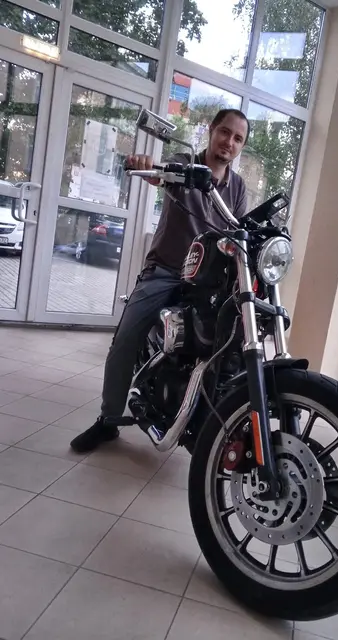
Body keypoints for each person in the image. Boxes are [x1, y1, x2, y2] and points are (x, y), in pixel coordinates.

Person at [70, 108, 250, 453]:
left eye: (238, 138)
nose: (229, 142)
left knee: (233, 342)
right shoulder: (185, 162)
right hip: (167, 271)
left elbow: (239, 230)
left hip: (208, 281)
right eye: (225, 132)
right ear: (212, 131)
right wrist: (147, 165)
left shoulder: (237, 187)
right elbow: (161, 173)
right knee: (126, 340)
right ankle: (108, 420)